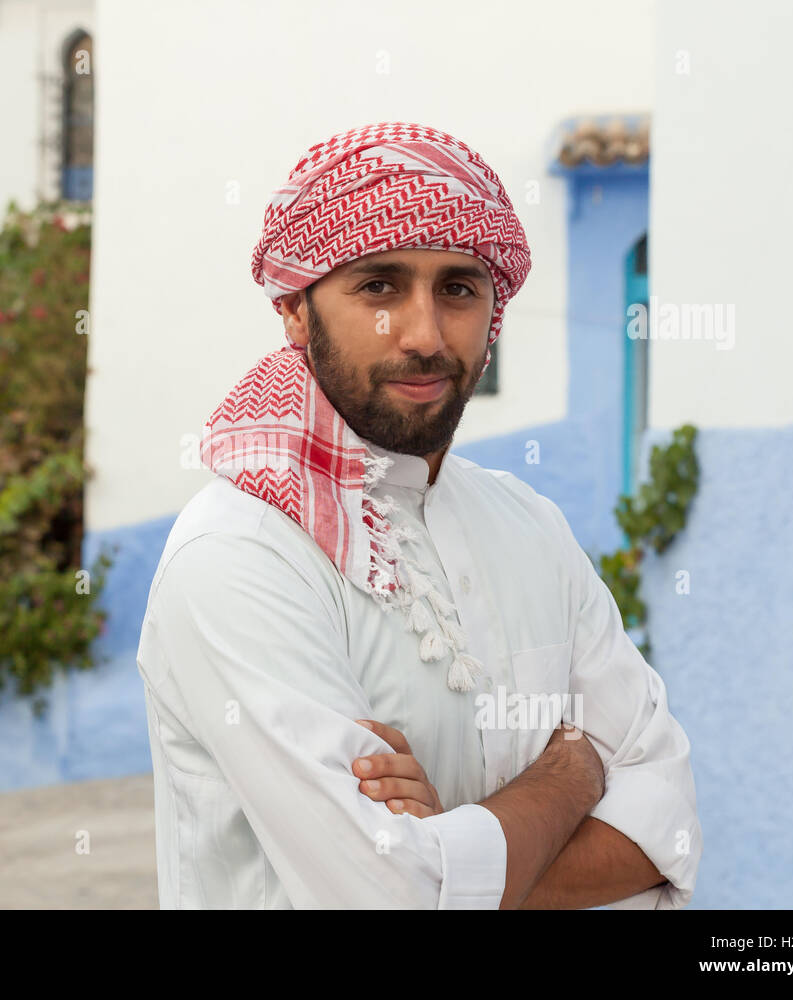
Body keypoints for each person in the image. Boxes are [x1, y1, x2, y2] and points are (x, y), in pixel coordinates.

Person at [135, 122, 700, 909]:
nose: (426, 335)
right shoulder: (241, 555)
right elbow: (389, 895)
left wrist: (460, 856)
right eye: (379, 287)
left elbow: (668, 823)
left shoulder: (529, 523)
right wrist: (574, 769)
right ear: (297, 311)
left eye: (459, 289)